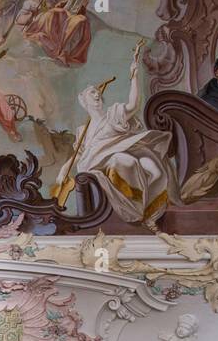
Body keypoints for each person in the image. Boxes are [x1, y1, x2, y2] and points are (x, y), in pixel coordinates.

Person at [57, 42, 181, 229]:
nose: (97, 94)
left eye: (98, 92)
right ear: (84, 101)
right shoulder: (83, 131)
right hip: (101, 162)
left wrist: (134, 75)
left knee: (156, 170)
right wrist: (64, 168)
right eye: (93, 93)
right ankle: (136, 209)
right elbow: (80, 155)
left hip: (130, 154)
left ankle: (146, 210)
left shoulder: (113, 115)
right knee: (123, 160)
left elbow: (133, 104)